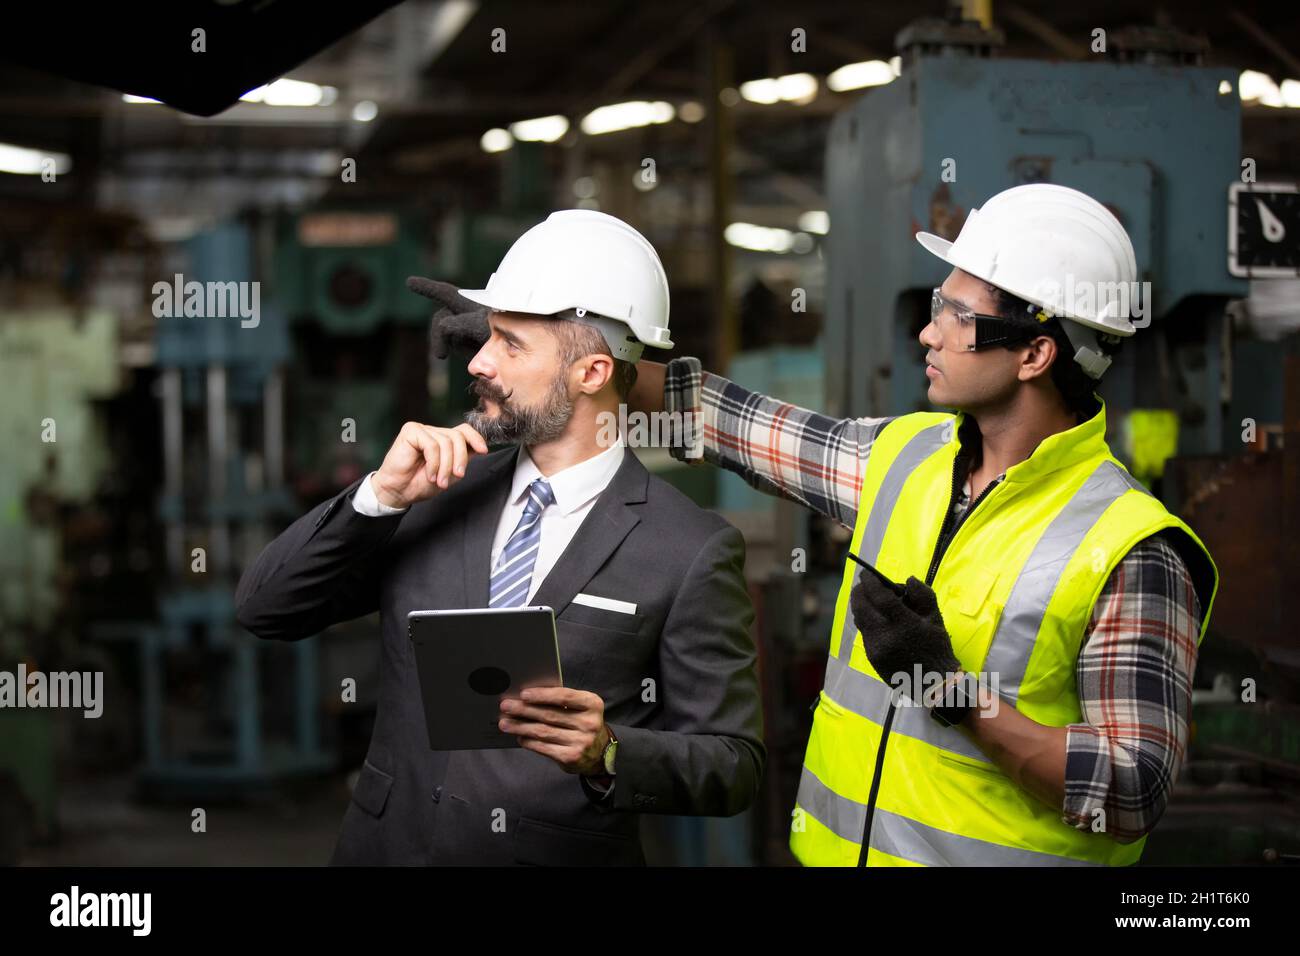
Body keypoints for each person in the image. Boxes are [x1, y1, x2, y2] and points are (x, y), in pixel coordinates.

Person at [426, 184, 1219, 867]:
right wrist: (537, 345)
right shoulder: (904, 459)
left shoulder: (1132, 549)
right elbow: (716, 417)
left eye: (956, 312)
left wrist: (950, 690)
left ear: (1035, 353)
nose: (928, 330)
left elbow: (1129, 790)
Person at [236, 209, 765, 866]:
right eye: (487, 336)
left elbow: (732, 764)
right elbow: (265, 608)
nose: (478, 361)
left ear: (592, 374)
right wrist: (378, 497)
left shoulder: (686, 549)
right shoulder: (435, 490)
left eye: (510, 344)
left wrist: (609, 753)